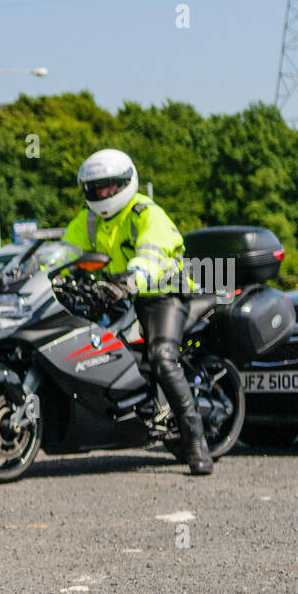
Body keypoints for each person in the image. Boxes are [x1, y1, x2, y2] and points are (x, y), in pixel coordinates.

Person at [61, 148, 213, 476]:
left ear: (126, 183)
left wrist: (129, 284)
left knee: (161, 357)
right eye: (95, 188)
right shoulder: (87, 220)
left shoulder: (146, 213)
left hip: (162, 293)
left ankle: (195, 440)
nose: (102, 194)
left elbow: (151, 259)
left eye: (109, 187)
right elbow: (64, 254)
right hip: (115, 294)